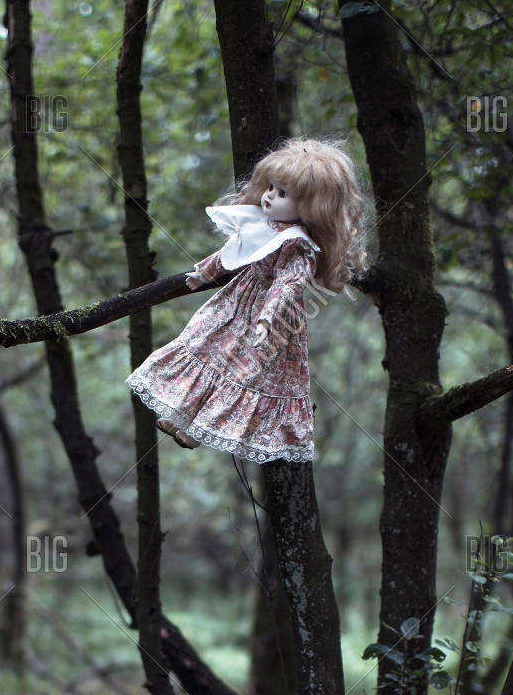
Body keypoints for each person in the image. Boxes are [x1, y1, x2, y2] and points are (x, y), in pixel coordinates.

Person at [126, 137, 368, 463]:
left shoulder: (297, 245)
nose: (270, 196)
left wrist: (268, 319)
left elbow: (288, 284)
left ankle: (197, 429)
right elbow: (233, 251)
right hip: (237, 300)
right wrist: (204, 272)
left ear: (311, 206)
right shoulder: (263, 223)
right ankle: (181, 414)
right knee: (204, 345)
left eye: (283, 194)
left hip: (273, 316)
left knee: (246, 370)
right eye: (271, 187)